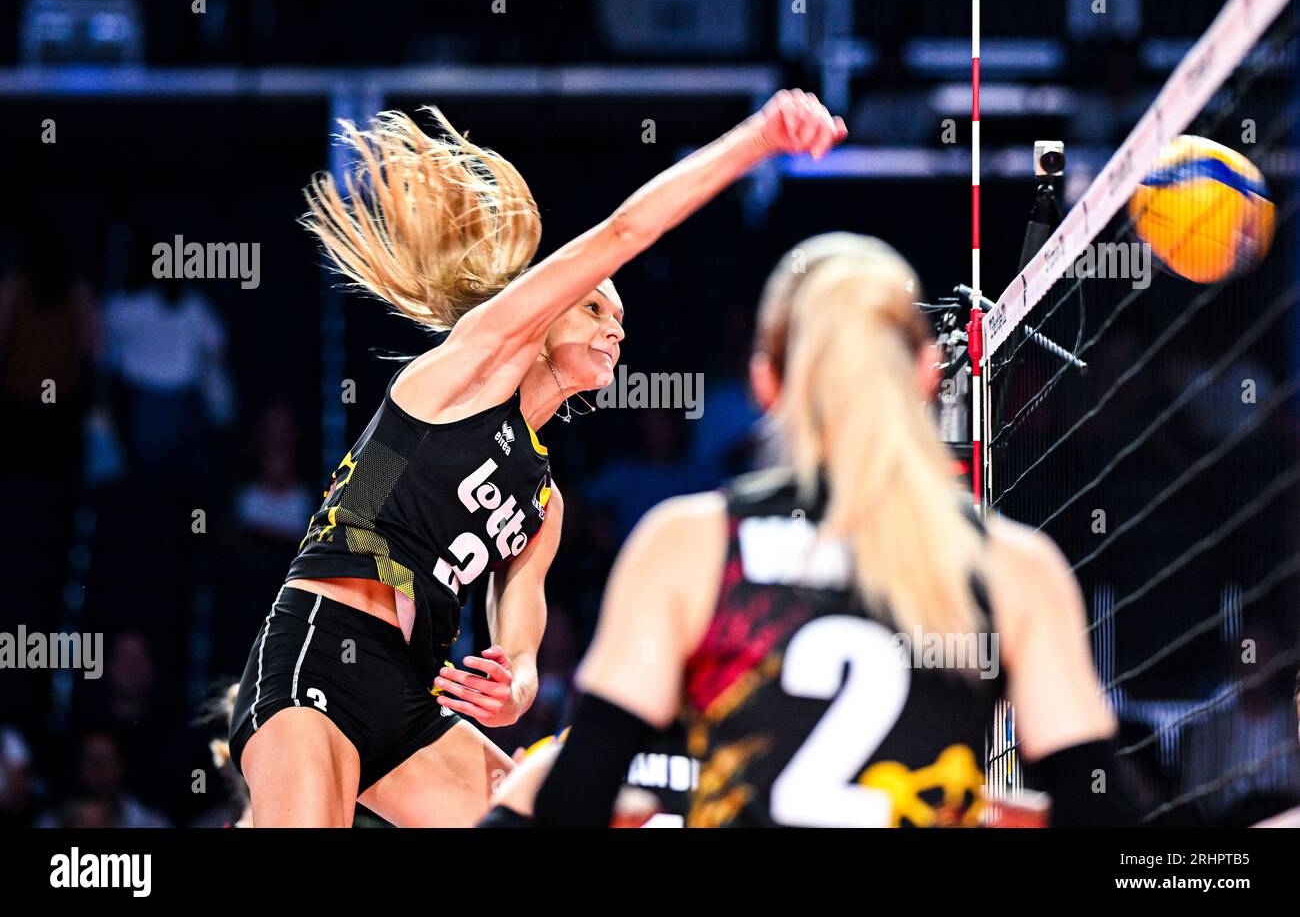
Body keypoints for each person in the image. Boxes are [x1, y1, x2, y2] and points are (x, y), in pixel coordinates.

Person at [228, 92, 847, 826]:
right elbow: (627, 230)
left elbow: (519, 641)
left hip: (409, 701)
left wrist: (515, 683)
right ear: (540, 316)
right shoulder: (466, 370)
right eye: (593, 307)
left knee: (553, 814)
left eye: (619, 319)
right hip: (319, 655)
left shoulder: (542, 502)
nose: (614, 328)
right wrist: (758, 138)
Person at [483, 233, 1133, 827]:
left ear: (764, 382)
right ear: (928, 372)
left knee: (529, 784)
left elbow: (574, 802)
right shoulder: (1010, 565)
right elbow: (1101, 811)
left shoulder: (690, 546)